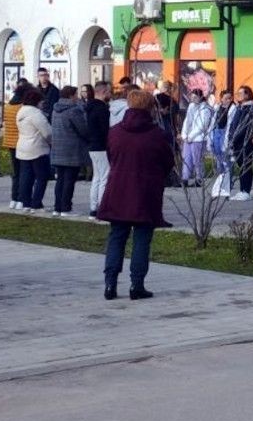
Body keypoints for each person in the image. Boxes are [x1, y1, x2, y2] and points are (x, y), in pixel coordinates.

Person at [96, 88, 174, 300]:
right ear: (150, 108)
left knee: (116, 237)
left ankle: (110, 284)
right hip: (146, 191)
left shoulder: (115, 132)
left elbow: (111, 156)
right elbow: (168, 161)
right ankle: (136, 285)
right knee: (142, 239)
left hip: (118, 189)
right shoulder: (156, 135)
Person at [49, 85, 90, 216]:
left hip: (58, 149)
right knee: (69, 180)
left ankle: (57, 207)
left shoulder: (55, 109)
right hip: (72, 150)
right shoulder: (74, 110)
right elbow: (83, 129)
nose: (78, 97)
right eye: (76, 94)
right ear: (71, 96)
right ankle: (66, 208)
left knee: (60, 180)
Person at [13, 85, 52, 211]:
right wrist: (51, 142)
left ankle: (26, 203)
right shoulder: (36, 114)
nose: (42, 104)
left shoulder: (21, 112)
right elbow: (47, 132)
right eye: (41, 102)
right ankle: (36, 203)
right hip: (37, 148)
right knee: (41, 177)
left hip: (23, 147)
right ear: (36, 101)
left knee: (26, 177)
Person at [226, 85, 253, 200]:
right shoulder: (239, 107)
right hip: (236, 141)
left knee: (245, 165)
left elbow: (245, 127)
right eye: (237, 93)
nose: (238, 96)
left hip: (245, 141)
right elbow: (233, 124)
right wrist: (230, 138)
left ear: (247, 95)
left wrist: (235, 138)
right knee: (241, 166)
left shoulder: (251, 108)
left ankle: (246, 191)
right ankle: (242, 190)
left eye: (241, 93)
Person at [85, 81, 112, 217]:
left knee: (97, 177)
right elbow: (105, 130)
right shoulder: (102, 109)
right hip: (101, 146)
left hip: (92, 145)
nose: (110, 94)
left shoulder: (89, 107)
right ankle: (102, 207)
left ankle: (93, 207)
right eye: (109, 91)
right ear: (103, 92)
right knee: (105, 177)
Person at [180, 88, 210, 187]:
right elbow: (187, 121)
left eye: (195, 97)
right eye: (192, 97)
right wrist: (184, 134)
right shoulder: (191, 106)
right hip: (188, 138)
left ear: (200, 97)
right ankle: (185, 178)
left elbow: (202, 126)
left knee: (197, 160)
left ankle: (199, 179)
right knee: (186, 158)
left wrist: (191, 136)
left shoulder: (205, 109)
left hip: (198, 139)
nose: (193, 99)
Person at [3, 81, 26, 208]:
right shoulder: (22, 107)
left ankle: (14, 198)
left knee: (15, 172)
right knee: (24, 172)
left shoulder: (8, 106)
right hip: (21, 141)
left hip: (10, 142)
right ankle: (22, 198)